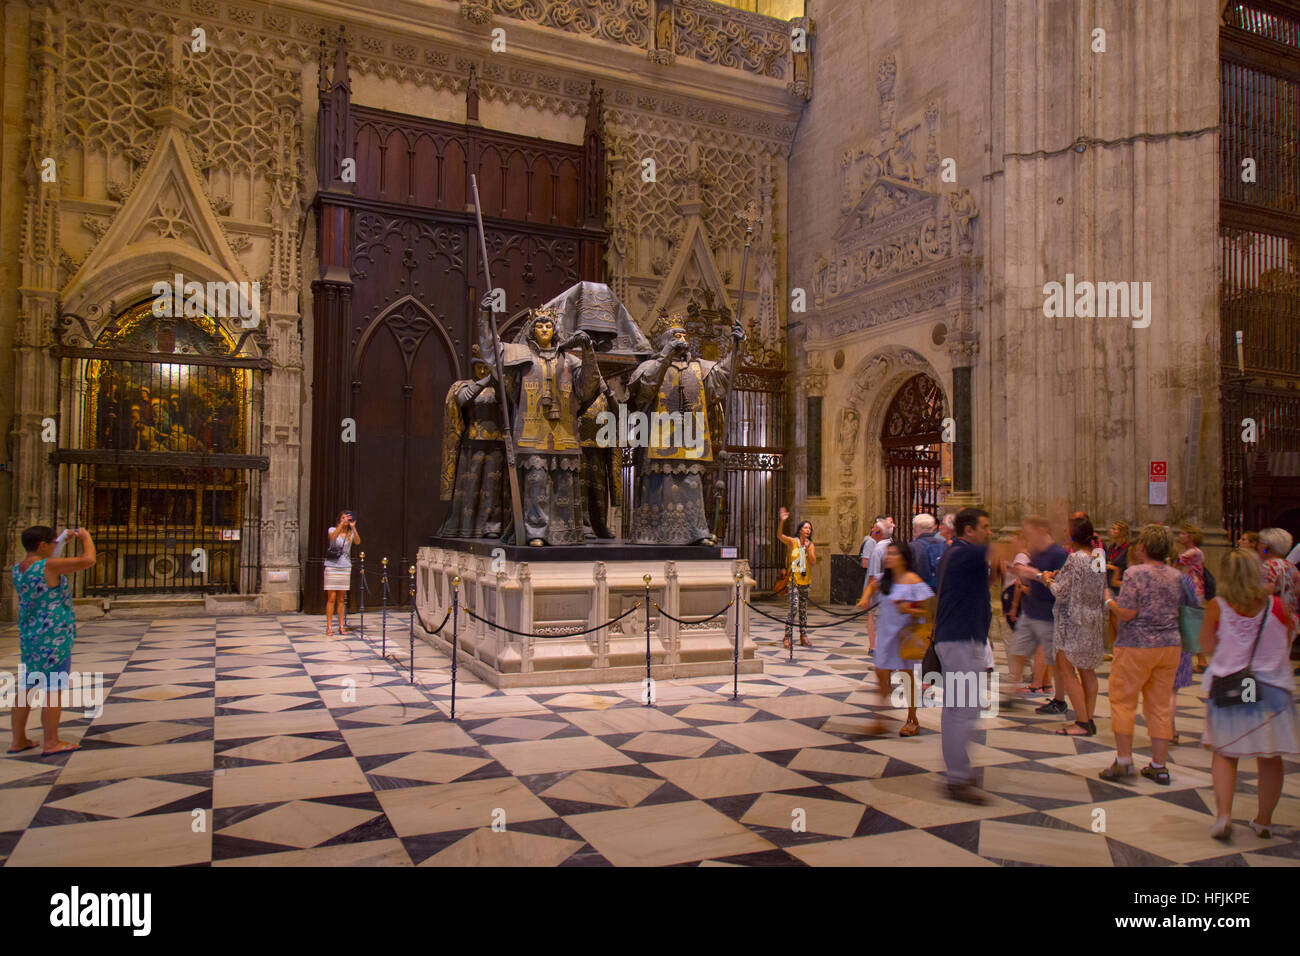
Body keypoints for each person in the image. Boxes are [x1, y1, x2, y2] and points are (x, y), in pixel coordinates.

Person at [1198, 549, 1298, 840]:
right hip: (1272, 688)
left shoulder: (1218, 605)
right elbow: (1288, 640)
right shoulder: (1278, 605)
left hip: (1232, 684)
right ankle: (1264, 820)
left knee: (1225, 753)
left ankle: (1223, 816)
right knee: (1269, 756)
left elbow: (1206, 644)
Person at [1100, 523, 1195, 785]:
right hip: (1169, 646)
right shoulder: (1176, 576)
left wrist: (1109, 600)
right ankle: (1159, 765)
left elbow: (1128, 612)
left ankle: (1123, 761)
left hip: (1136, 644)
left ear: (1142, 547)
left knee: (1123, 701)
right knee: (1159, 705)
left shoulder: (1135, 573)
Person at [9, 526, 97, 756]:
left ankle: (18, 740)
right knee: (54, 687)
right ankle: (51, 742)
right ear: (41, 545)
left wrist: (61, 541)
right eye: (51, 543)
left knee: (27, 685)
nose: (53, 546)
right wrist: (86, 538)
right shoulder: (48, 566)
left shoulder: (18, 569)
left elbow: (48, 565)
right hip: (53, 636)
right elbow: (88, 560)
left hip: (30, 635)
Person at [933, 507, 995, 804]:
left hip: (958, 639)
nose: (989, 532)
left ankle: (956, 771)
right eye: (985, 527)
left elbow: (983, 584)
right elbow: (1004, 549)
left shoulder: (957, 554)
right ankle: (957, 777)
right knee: (963, 710)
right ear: (969, 530)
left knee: (957, 709)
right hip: (959, 641)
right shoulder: (964, 553)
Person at [1040, 517, 1106, 736]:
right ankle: (1089, 716)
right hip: (1093, 617)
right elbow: (1095, 585)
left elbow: (1062, 592)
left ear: (1073, 536)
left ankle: (1082, 721)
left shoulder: (1075, 559)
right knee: (1087, 669)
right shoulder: (1099, 556)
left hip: (1073, 619)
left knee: (1067, 670)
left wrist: (1048, 579)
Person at [870, 541, 933, 737]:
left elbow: (928, 609)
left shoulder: (913, 580)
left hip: (906, 636)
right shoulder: (885, 580)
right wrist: (864, 599)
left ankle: (912, 718)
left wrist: (910, 609)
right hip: (886, 635)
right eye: (888, 554)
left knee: (907, 677)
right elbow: (872, 585)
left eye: (893, 554)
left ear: (904, 558)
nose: (888, 557)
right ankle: (880, 718)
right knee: (881, 673)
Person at [1008, 516, 1067, 711]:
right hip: (1031, 610)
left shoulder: (1059, 554)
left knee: (1054, 659)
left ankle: (1059, 699)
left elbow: (1062, 584)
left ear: (1041, 529)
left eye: (1029, 531)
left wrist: (1039, 577)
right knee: (1017, 649)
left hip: (1049, 613)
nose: (1027, 536)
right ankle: (1011, 691)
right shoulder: (1035, 552)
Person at [778, 507, 816, 650]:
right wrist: (782, 521)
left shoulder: (810, 545)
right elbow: (780, 535)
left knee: (803, 609)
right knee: (793, 607)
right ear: (800, 529)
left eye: (809, 529)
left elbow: (813, 562)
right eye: (805, 528)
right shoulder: (793, 542)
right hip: (793, 579)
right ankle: (787, 636)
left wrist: (807, 550)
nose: (808, 530)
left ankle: (803, 636)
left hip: (806, 580)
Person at [1177, 523, 1209, 672]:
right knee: (1185, 623)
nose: (1180, 535)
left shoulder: (1194, 552)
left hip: (1193, 590)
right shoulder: (1186, 551)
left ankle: (1202, 660)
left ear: (1191, 536)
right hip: (1184, 588)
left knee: (1193, 623)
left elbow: (1175, 562)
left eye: (1183, 533)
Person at [324, 511, 359, 637]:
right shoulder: (332, 529)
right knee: (331, 598)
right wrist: (341, 525)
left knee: (341, 599)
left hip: (345, 566)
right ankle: (328, 626)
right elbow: (333, 537)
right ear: (339, 519)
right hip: (332, 566)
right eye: (343, 518)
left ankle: (340, 625)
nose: (345, 520)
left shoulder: (350, 533)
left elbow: (358, 542)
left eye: (347, 518)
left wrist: (353, 527)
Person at [1259, 528, 1300, 636]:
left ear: (1267, 547)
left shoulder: (1269, 566)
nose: (1257, 546)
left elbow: (1262, 595)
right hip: (1290, 622)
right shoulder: (1292, 568)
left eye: (1260, 543)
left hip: (1272, 623)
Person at [1104, 521, 1131, 659]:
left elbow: (1124, 566)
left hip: (1120, 584)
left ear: (1122, 532)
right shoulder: (1112, 547)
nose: (1112, 531)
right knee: (1110, 618)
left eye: (1115, 529)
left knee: (1117, 617)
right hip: (1110, 582)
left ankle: (1121, 649)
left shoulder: (1127, 549)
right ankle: (1114, 649)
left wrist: (1113, 568)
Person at [909, 513, 945, 590]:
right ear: (933, 528)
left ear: (915, 529)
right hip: (940, 589)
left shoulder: (912, 547)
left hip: (921, 590)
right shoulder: (943, 544)